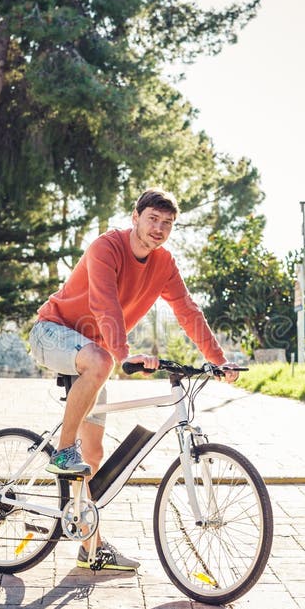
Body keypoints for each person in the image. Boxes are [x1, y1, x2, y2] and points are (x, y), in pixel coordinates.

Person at [28, 187, 239, 572]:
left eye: (167, 223)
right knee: (100, 362)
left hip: (94, 354)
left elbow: (188, 311)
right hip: (51, 332)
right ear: (135, 216)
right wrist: (124, 355)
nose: (159, 228)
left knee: (92, 455)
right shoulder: (105, 248)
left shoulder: (164, 264)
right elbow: (104, 303)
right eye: (152, 219)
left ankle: (91, 548)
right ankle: (61, 450)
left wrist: (218, 360)